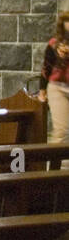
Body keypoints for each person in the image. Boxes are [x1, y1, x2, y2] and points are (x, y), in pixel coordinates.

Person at [39, 11, 69, 144]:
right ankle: (58, 164)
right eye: (67, 21)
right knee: (61, 130)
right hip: (58, 87)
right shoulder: (54, 44)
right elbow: (46, 67)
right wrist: (42, 91)